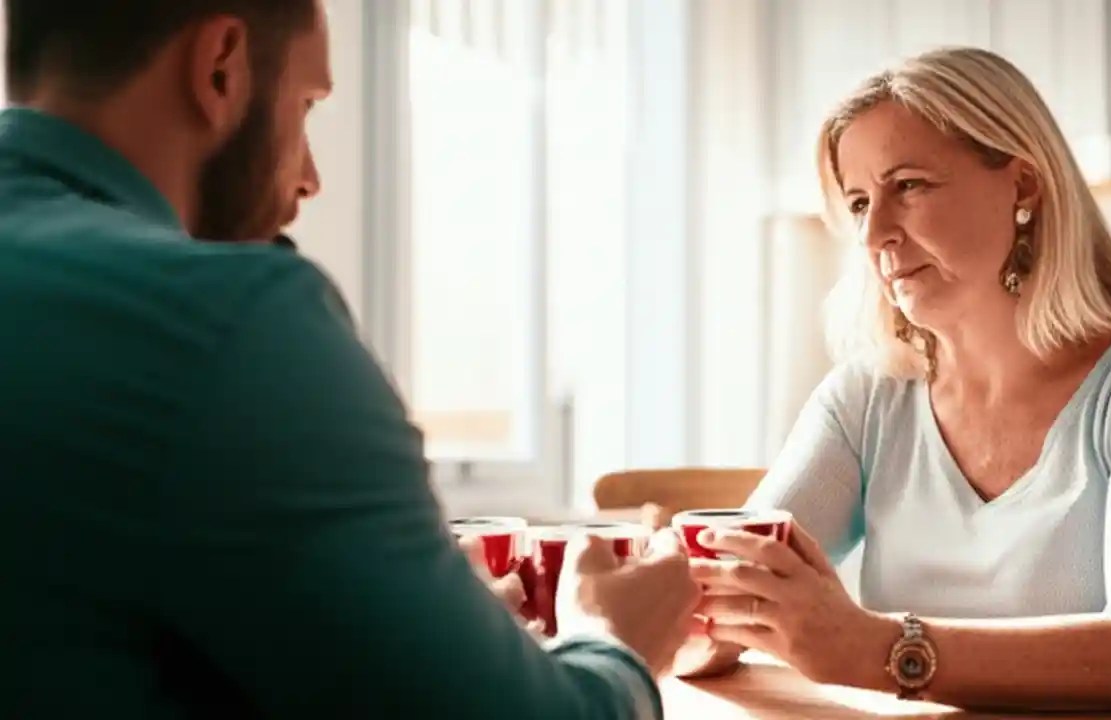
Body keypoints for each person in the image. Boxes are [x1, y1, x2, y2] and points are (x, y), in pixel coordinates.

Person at [0, 1, 698, 717]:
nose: (309, 178)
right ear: (220, 67)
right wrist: (616, 643)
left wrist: (414, 629)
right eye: (306, 106)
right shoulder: (227, 321)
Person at [675, 47, 1111, 719]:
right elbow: (726, 597)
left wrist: (872, 648)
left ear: (1024, 187)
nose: (875, 234)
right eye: (860, 201)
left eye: (910, 186)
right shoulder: (867, 397)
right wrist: (673, 613)